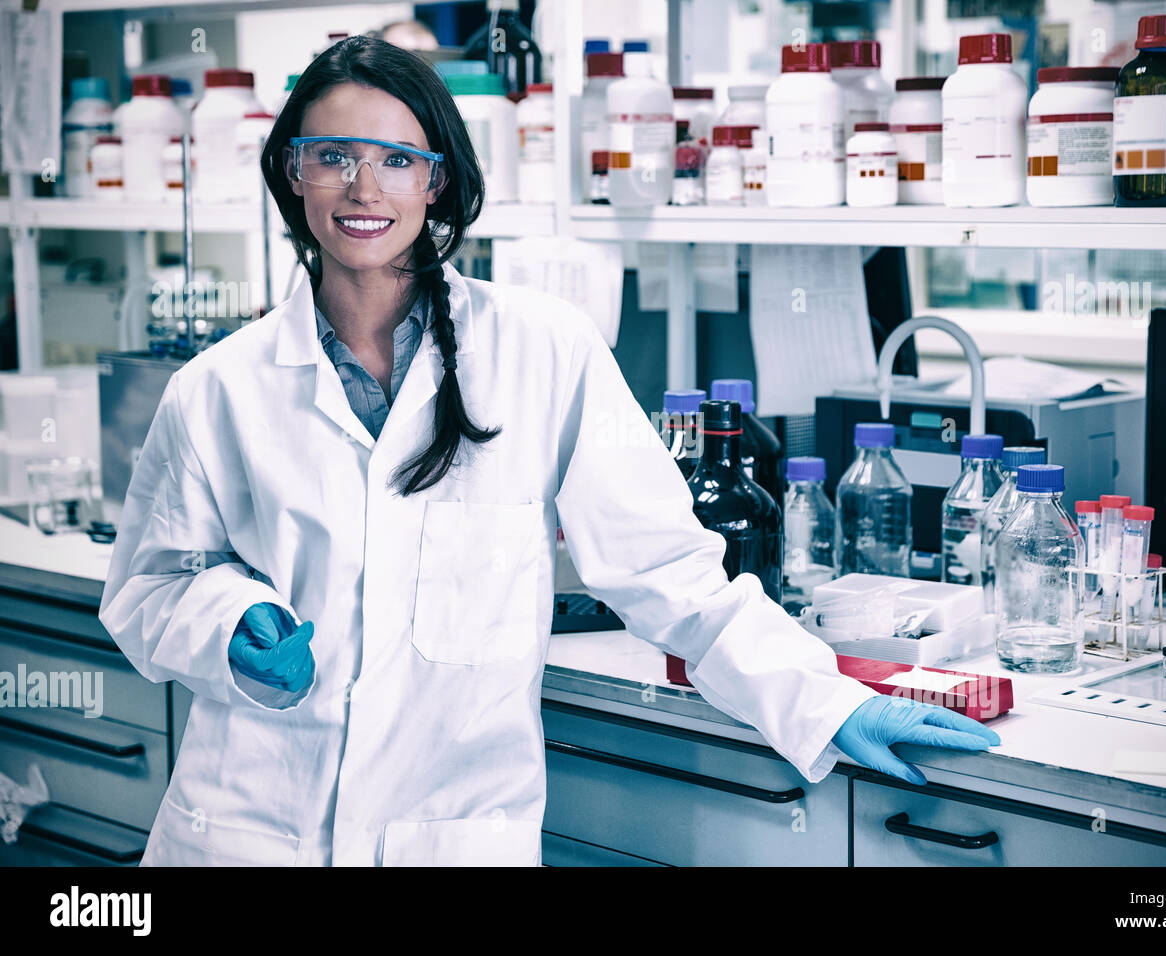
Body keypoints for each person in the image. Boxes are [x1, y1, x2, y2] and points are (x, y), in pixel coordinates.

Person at [99, 36, 999, 867]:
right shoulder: (218, 387)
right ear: (294, 174)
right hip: (249, 832)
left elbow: (670, 575)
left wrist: (828, 699)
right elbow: (149, 588)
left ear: (436, 182)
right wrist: (226, 628)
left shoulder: (544, 352)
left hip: (450, 838)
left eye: (397, 160)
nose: (363, 188)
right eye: (332, 156)